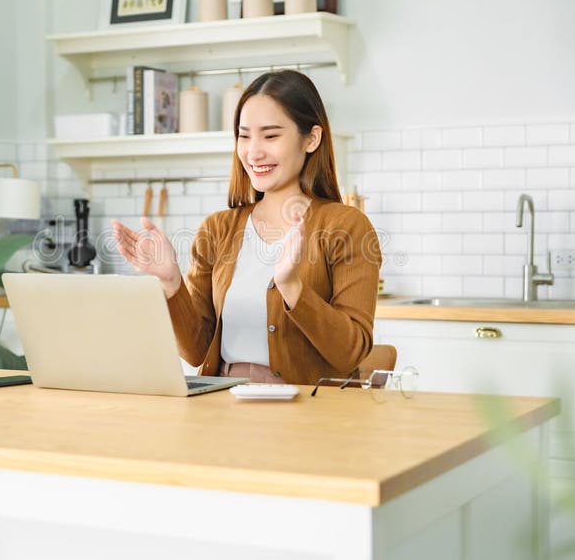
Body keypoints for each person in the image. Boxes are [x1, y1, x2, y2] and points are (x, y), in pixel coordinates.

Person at [111, 70, 381, 385]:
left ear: (311, 139)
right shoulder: (218, 229)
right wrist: (172, 284)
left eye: (270, 136)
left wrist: (291, 286)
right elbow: (197, 352)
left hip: (308, 416)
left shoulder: (345, 226)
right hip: (222, 406)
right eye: (244, 135)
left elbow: (350, 353)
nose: (253, 152)